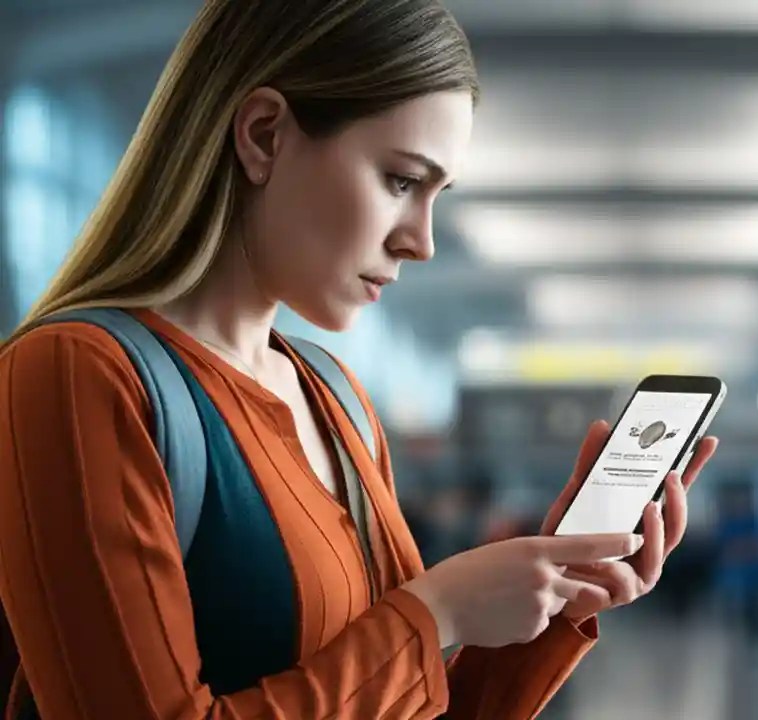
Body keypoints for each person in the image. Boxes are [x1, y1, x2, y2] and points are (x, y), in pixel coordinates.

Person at [0, 2, 719, 718]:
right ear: (263, 136)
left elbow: (415, 704)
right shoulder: (75, 375)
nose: (422, 241)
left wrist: (548, 604)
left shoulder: (336, 397)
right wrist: (436, 613)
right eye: (401, 181)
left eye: (436, 195)